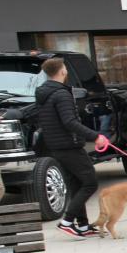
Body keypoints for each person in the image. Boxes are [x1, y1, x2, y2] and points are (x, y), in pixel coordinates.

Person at [34, 57, 109, 238]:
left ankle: (82, 225)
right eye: (65, 67)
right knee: (90, 182)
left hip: (57, 145)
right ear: (62, 71)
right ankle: (67, 222)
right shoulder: (61, 94)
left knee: (77, 184)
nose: (66, 70)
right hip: (69, 145)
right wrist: (96, 136)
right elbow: (69, 122)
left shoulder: (44, 93)